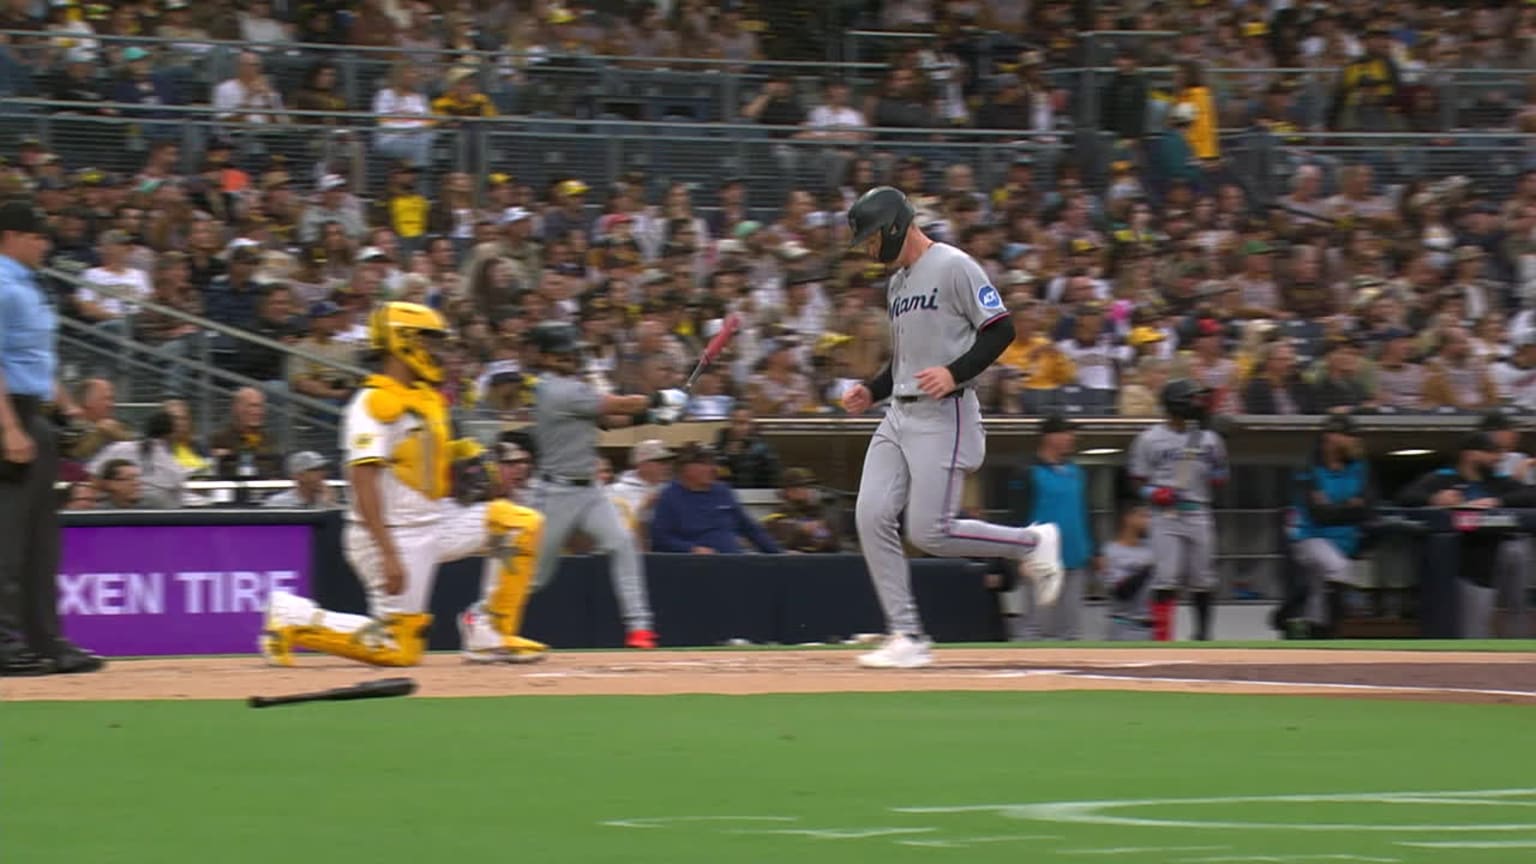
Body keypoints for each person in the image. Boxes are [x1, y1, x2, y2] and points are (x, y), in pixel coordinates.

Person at [839, 186, 1064, 669]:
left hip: (947, 412)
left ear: (896, 224)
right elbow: (905, 359)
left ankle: (1033, 541)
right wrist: (872, 391)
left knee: (930, 532)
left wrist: (954, 372)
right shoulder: (898, 283)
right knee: (871, 515)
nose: (870, 250)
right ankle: (907, 634)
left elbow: (1001, 329)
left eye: (873, 238)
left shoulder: (955, 265)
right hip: (899, 412)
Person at [259, 302, 546, 667]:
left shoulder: (426, 397)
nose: (437, 351)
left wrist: (465, 455)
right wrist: (389, 553)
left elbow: (428, 459)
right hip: (392, 534)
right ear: (402, 340)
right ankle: (293, 616)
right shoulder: (373, 403)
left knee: (520, 525)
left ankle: (489, 633)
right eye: (428, 340)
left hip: (434, 518)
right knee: (398, 648)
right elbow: (363, 481)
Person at [520, 321, 685, 650]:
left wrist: (653, 416)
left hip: (589, 490)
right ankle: (483, 617)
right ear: (548, 357)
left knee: (622, 543)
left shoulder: (570, 387)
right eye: (563, 353)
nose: (571, 357)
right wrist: (660, 399)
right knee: (535, 577)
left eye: (571, 352)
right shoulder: (555, 389)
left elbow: (610, 420)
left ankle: (639, 628)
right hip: (554, 493)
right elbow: (620, 405)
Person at [0, 198, 103, 676]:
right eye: (37, 235)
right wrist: (9, 427)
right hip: (9, 416)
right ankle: (3, 643)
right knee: (7, 537)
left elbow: (35, 357)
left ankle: (45, 640)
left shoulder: (29, 285)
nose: (45, 243)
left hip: (33, 412)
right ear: (11, 237)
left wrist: (68, 408)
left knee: (42, 539)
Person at [1397, 433, 1535, 638]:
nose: (1497, 458)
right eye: (1490, 453)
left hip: (1494, 556)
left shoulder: (1497, 483)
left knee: (1514, 556)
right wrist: (1434, 498)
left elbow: (1530, 495)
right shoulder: (1443, 478)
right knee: (1471, 632)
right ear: (1470, 455)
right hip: (1461, 564)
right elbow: (1405, 496)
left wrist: (1496, 502)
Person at [1128, 379, 1229, 641]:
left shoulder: (1208, 438)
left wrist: (1219, 469)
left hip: (1198, 510)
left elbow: (1220, 474)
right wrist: (1153, 493)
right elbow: (1137, 479)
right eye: (1192, 399)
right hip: (1166, 514)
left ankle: (1203, 635)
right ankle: (1163, 637)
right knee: (1166, 577)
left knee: (1203, 577)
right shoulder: (1150, 438)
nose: (1198, 404)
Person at [1004, 413, 1095, 640]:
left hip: (1075, 558)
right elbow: (1017, 516)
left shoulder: (1077, 473)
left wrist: (1095, 550)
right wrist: (1019, 555)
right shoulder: (1027, 472)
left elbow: (1085, 512)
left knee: (1072, 629)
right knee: (1035, 626)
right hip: (1041, 560)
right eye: (1065, 432)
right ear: (1049, 437)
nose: (1071, 437)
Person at [1285, 414, 1375, 639]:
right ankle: (1334, 632)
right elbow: (1319, 515)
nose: (1353, 441)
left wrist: (1338, 507)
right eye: (1348, 435)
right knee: (1339, 568)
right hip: (1307, 536)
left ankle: (1309, 631)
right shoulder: (1309, 467)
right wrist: (1349, 506)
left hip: (1341, 538)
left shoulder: (1359, 467)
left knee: (1318, 593)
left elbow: (1368, 507)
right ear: (1331, 436)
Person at [650, 444, 782, 555]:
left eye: (713, 463)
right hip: (693, 567)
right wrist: (691, 549)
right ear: (687, 468)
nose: (713, 469)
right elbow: (661, 539)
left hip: (733, 562)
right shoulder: (669, 496)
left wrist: (779, 554)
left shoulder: (722, 491)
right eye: (706, 464)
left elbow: (750, 528)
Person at [1102, 502, 1156, 641]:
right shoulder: (1111, 551)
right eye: (1143, 516)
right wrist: (1147, 569)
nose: (1148, 521)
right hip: (1123, 628)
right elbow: (1121, 592)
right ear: (1128, 518)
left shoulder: (1151, 549)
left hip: (1150, 628)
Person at [761, 467, 841, 553]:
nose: (808, 491)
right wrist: (801, 529)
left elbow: (834, 542)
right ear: (789, 491)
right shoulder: (777, 517)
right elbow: (778, 539)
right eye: (803, 487)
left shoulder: (819, 512)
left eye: (810, 487)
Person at [606, 438, 674, 541]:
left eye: (668, 462)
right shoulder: (615, 492)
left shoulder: (671, 490)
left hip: (668, 549)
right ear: (642, 464)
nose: (667, 466)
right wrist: (645, 508)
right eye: (661, 462)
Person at [262, 451, 339, 509]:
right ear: (300, 476)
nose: (323, 473)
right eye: (316, 470)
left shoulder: (326, 499)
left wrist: (329, 505)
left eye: (323, 469)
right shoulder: (278, 503)